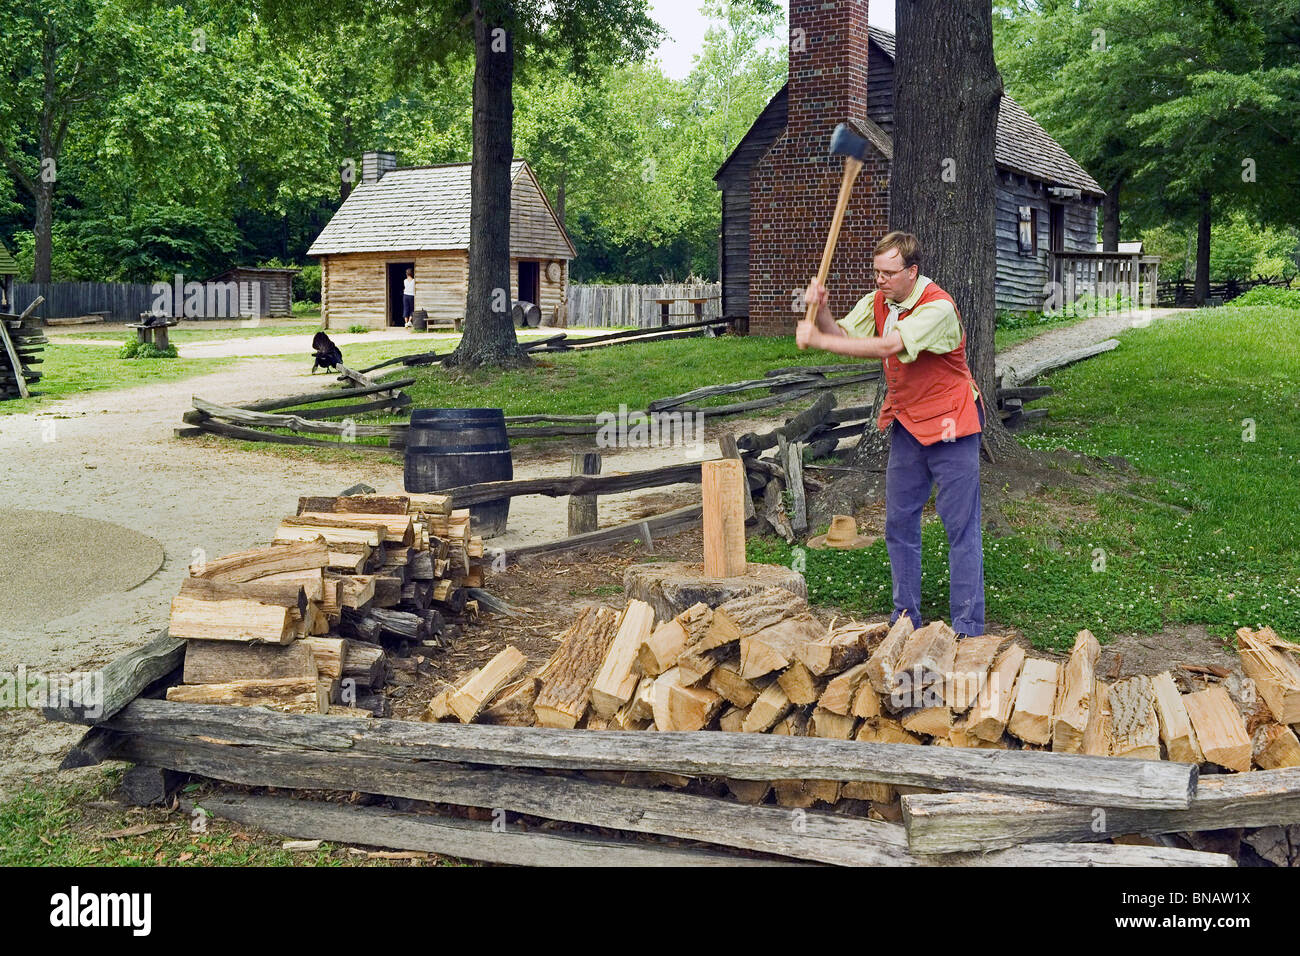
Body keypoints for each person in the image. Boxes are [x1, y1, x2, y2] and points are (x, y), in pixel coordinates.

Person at [798, 230, 986, 641]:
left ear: (912, 271)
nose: (879, 280)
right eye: (876, 271)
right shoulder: (880, 300)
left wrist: (817, 338)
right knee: (898, 523)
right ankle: (904, 617)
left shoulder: (938, 308)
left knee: (960, 527)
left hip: (952, 424)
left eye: (888, 272)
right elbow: (849, 335)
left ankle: (968, 628)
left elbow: (886, 347)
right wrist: (823, 313)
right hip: (908, 425)